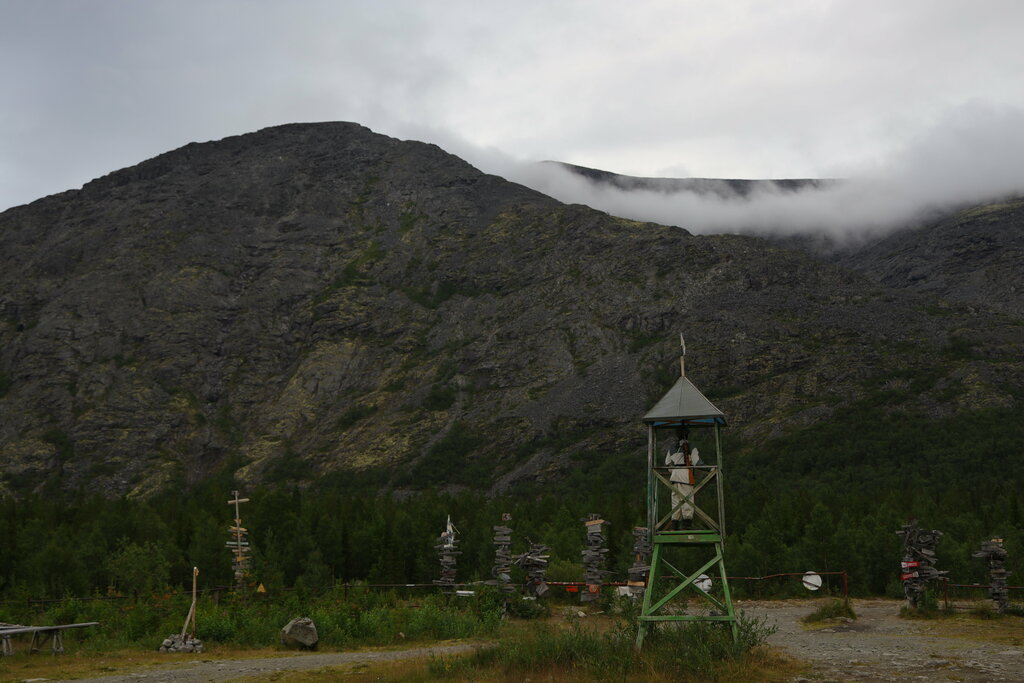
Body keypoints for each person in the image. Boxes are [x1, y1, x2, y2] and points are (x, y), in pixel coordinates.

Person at [665, 429, 700, 529]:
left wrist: (673, 471)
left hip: (674, 476)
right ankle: (687, 525)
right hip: (685, 475)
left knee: (675, 501)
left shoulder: (672, 447)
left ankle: (674, 525)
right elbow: (697, 462)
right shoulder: (690, 446)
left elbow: (667, 462)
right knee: (687, 500)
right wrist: (709, 469)